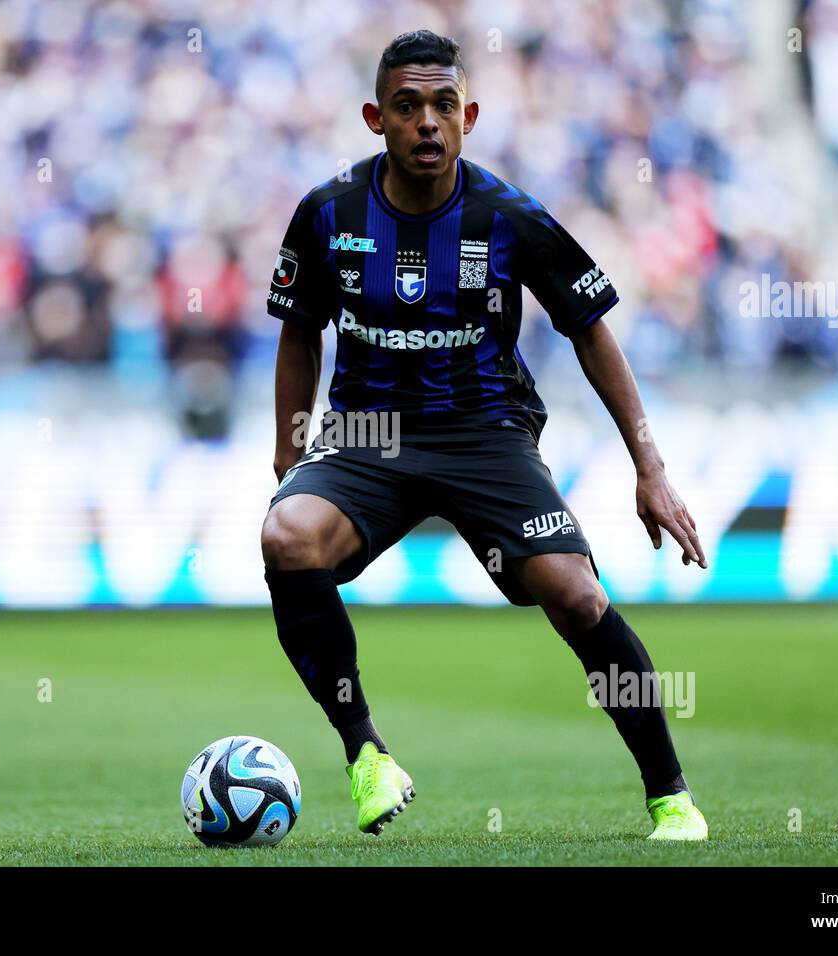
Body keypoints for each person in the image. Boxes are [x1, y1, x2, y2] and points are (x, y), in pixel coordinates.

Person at [261, 30, 709, 840]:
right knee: (287, 536)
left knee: (576, 595)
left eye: (442, 106)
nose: (426, 123)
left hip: (485, 432)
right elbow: (300, 331)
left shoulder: (510, 216)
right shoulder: (328, 213)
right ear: (376, 118)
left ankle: (670, 795)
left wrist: (650, 468)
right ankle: (367, 756)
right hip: (368, 435)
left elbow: (592, 331)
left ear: (468, 116)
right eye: (407, 107)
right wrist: (290, 455)